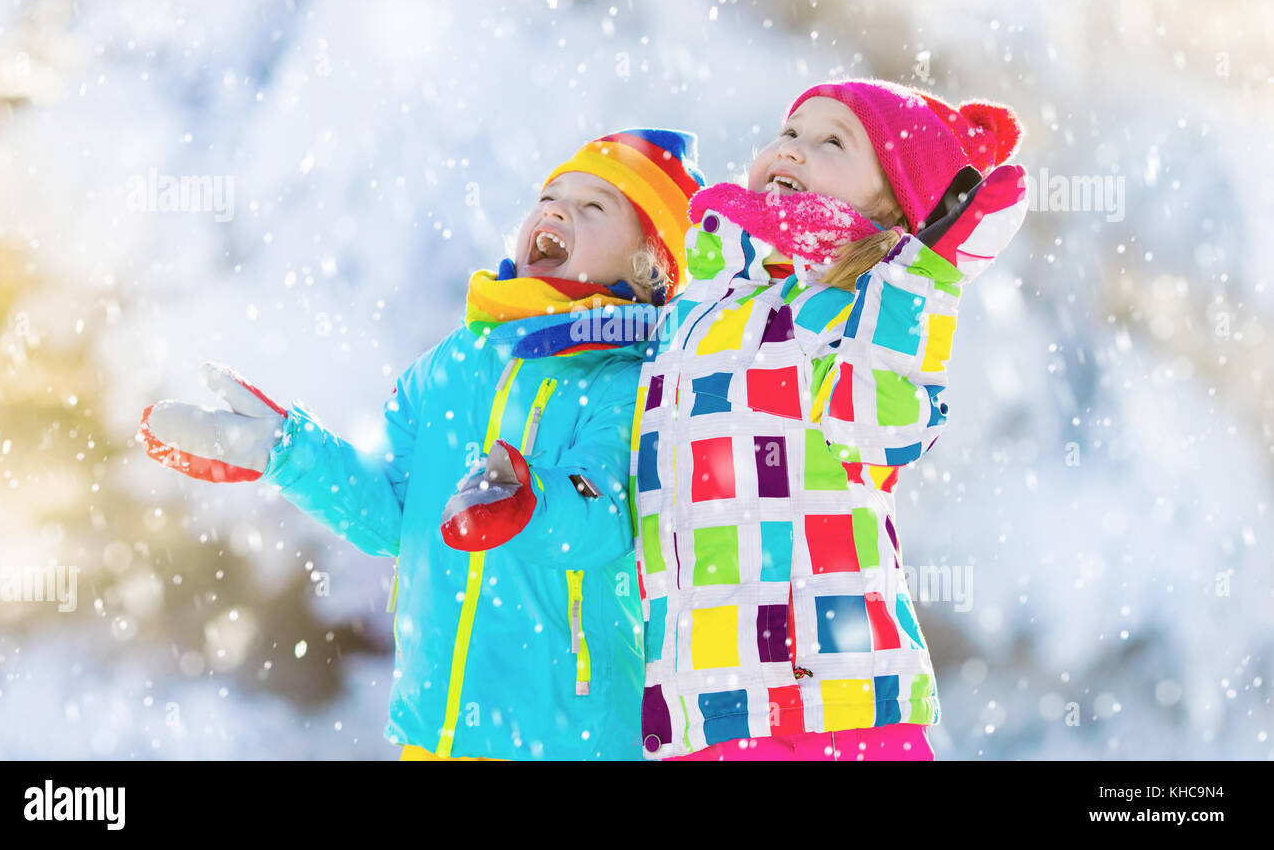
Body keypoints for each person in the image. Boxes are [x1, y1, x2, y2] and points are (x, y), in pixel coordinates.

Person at [140, 128, 704, 760]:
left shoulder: (631, 381)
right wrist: (284, 451)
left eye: (595, 206)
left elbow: (604, 512)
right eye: (551, 194)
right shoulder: (452, 365)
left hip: (569, 737)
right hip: (435, 735)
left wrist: (528, 504)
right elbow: (392, 515)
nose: (557, 209)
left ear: (647, 265)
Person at [628, 79, 1029, 760]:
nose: (794, 149)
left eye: (831, 141)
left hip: (834, 704)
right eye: (789, 132)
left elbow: (880, 426)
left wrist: (915, 277)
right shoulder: (698, 312)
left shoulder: (850, 310)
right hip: (701, 705)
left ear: (892, 203)